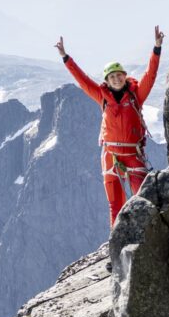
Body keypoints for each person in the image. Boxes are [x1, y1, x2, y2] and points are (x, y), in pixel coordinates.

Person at [55, 27, 163, 227]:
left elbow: (150, 75)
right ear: (106, 81)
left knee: (142, 199)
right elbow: (82, 79)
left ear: (124, 76)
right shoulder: (101, 97)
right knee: (115, 205)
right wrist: (65, 57)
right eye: (112, 77)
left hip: (132, 155)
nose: (116, 79)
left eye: (119, 75)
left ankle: (146, 235)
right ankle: (117, 240)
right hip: (110, 156)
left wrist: (156, 48)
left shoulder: (136, 95)